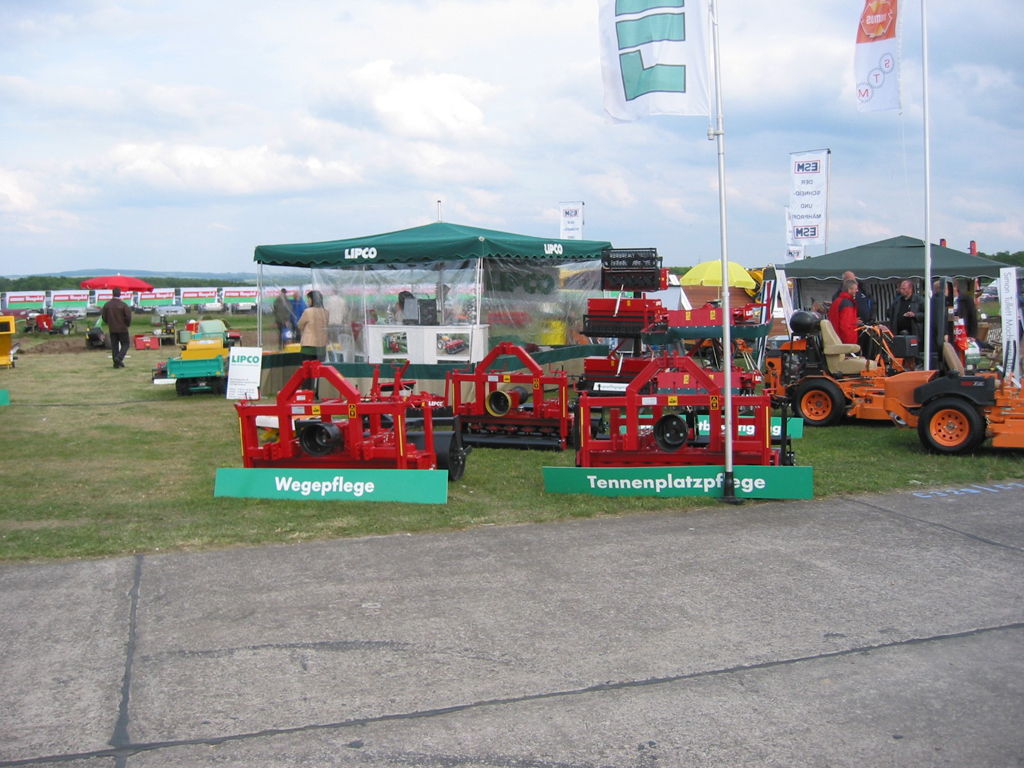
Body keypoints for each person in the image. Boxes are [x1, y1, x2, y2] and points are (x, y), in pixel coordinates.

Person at [101, 287, 132, 368]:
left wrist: (109, 323)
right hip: (122, 328)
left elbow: (104, 317)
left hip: (112, 328)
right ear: (120, 294)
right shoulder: (123, 305)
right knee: (126, 344)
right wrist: (127, 324)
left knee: (114, 346)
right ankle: (119, 357)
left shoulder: (107, 305)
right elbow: (128, 316)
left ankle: (116, 364)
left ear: (112, 293)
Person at [297, 290, 329, 361]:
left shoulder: (308, 312)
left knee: (307, 368)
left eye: (309, 298)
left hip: (309, 346)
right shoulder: (326, 312)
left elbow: (300, 325)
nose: (308, 301)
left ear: (312, 300)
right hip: (322, 346)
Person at [828, 278, 860, 345]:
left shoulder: (837, 301)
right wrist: (850, 345)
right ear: (849, 290)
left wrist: (854, 320)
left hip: (835, 339)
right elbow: (845, 326)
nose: (857, 291)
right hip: (844, 342)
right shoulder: (847, 304)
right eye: (855, 289)